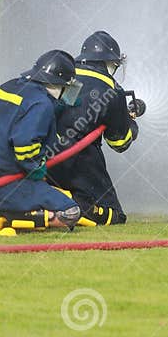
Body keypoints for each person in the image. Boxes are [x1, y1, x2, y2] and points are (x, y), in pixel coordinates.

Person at [0, 50, 83, 236]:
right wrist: (37, 170)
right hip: (0, 182)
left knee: (54, 193)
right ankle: (3, 216)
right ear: (58, 84)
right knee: (71, 212)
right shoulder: (42, 104)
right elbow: (25, 146)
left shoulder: (8, 87)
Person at [48, 31, 140, 225]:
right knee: (114, 216)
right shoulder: (113, 91)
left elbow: (70, 111)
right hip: (81, 158)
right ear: (109, 63)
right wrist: (131, 125)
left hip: (47, 154)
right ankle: (73, 208)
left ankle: (49, 201)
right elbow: (119, 143)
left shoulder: (69, 76)